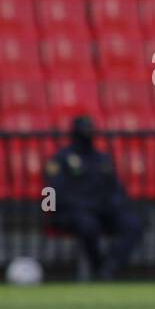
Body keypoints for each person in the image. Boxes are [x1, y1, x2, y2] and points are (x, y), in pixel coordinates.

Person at [44, 116, 143, 280]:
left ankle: (111, 266)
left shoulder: (101, 159)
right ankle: (97, 266)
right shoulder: (61, 159)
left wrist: (115, 205)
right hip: (75, 212)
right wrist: (53, 212)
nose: (88, 133)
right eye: (84, 129)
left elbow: (116, 189)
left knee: (132, 225)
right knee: (88, 225)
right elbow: (51, 191)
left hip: (102, 210)